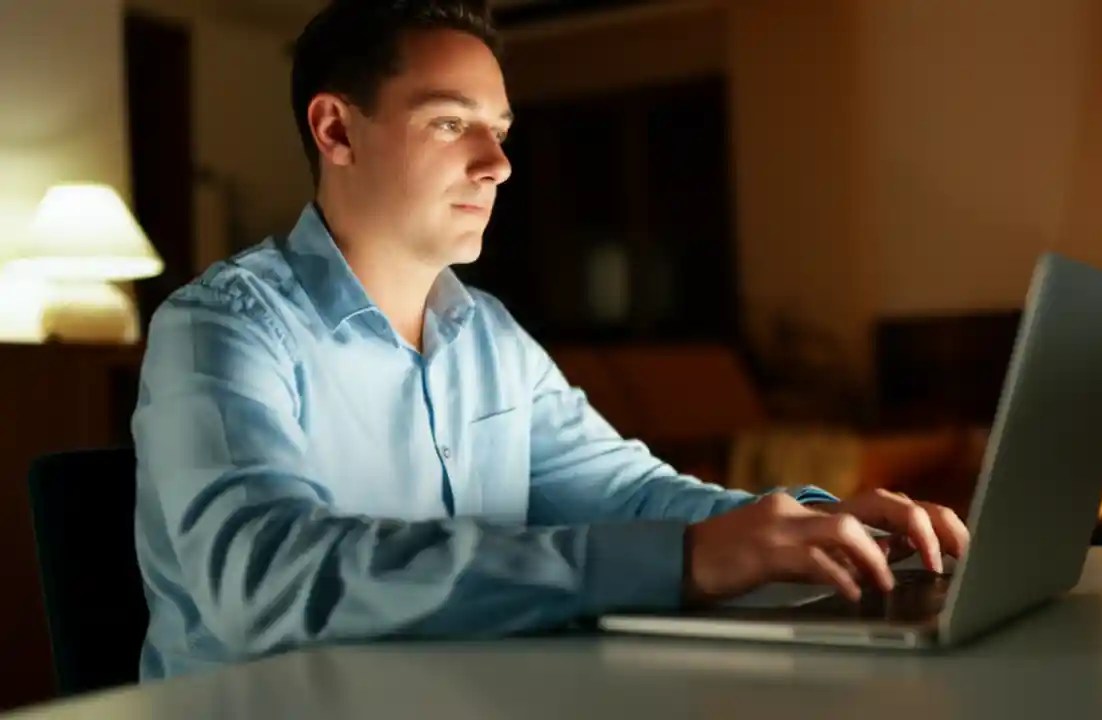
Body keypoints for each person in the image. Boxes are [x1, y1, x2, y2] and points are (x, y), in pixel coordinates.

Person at [133, 0, 969, 680]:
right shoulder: (222, 329)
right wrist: (680, 559)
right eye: (450, 123)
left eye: (500, 129)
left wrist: (814, 528)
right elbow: (269, 580)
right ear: (336, 131)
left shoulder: (487, 335)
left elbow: (634, 496)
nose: (496, 162)